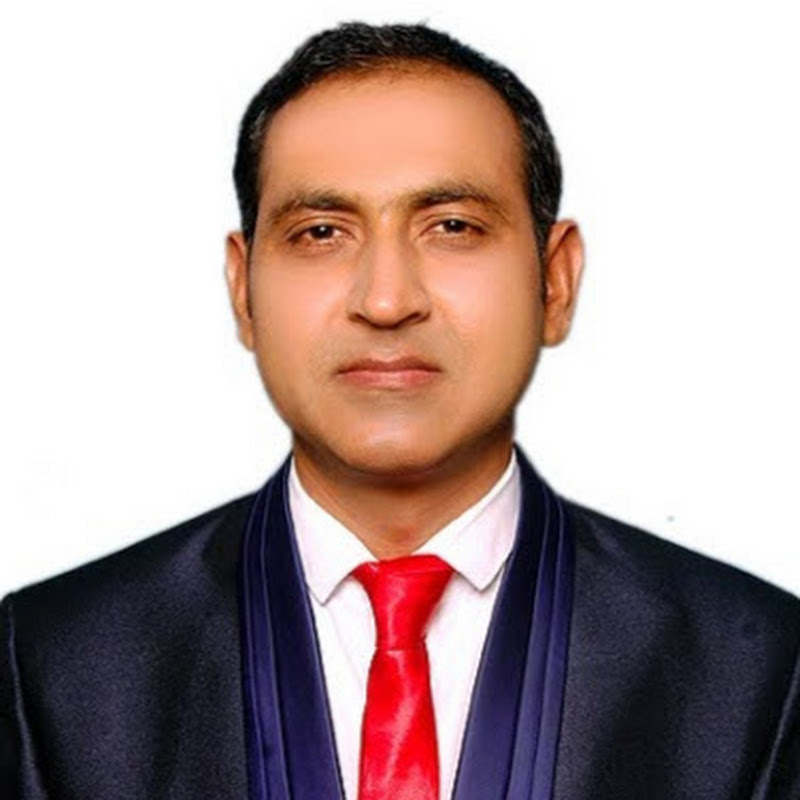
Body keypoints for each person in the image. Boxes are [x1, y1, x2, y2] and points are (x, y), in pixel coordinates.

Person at [1, 21, 798, 800]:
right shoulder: (54, 665)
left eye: (452, 227)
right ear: (242, 290)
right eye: (321, 232)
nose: (385, 300)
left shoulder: (755, 672)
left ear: (554, 281)